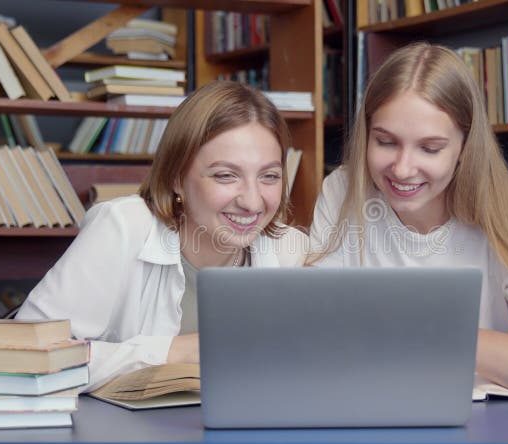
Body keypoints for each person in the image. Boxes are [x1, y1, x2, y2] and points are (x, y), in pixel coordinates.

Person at [308, 43, 508, 403]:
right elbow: (314, 337)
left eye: (430, 148)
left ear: (465, 147)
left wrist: (418, 329)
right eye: (386, 142)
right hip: (365, 407)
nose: (403, 168)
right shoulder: (343, 191)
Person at [17, 81, 308, 391]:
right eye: (226, 175)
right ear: (177, 178)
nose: (252, 201)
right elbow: (25, 355)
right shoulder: (123, 227)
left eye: (269, 176)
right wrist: (171, 352)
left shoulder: (290, 250)